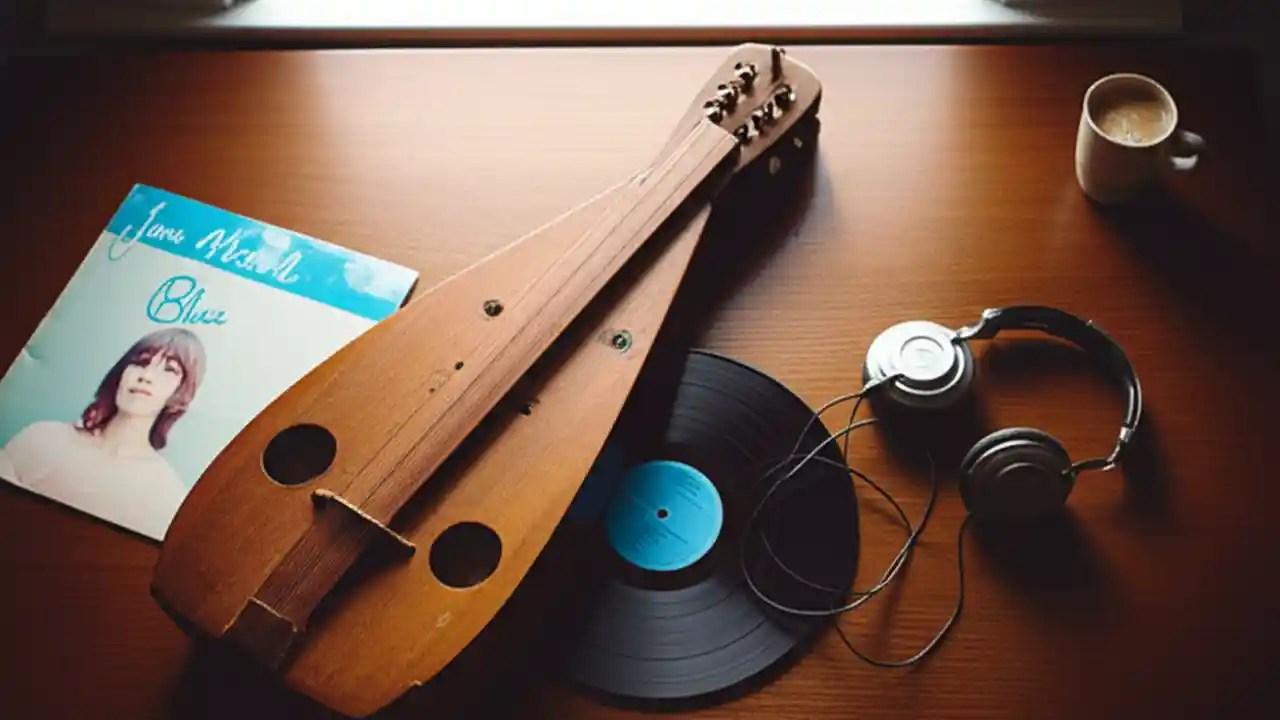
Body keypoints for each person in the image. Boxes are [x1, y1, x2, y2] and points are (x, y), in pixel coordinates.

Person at [0, 328, 206, 539]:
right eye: (142, 362)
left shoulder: (165, 494)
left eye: (169, 370)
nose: (146, 376)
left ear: (182, 393)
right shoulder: (42, 438)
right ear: (121, 374)